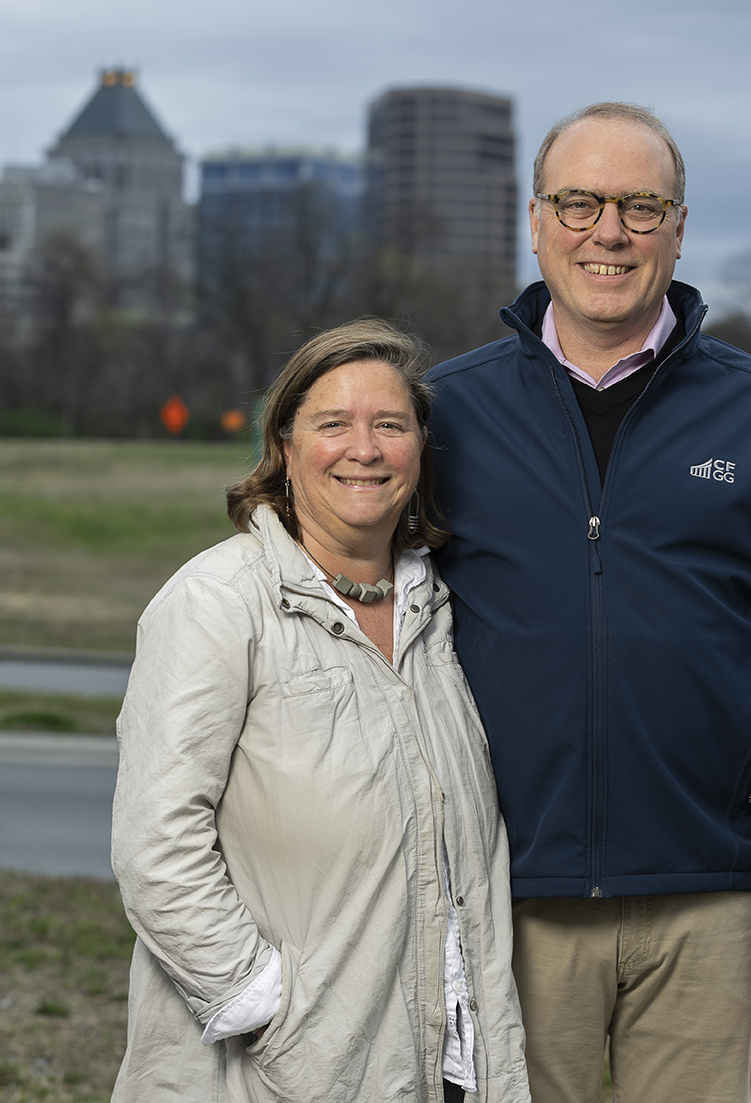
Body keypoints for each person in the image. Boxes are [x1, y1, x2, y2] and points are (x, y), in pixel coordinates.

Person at [426, 103, 751, 1103]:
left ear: (679, 227)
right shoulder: (443, 414)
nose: (610, 232)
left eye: (641, 206)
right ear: (536, 220)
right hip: (505, 895)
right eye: (581, 202)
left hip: (710, 906)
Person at [111, 319, 530, 1103]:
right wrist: (271, 1007)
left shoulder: (437, 609)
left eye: (390, 425)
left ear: (419, 447)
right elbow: (155, 845)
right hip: (275, 1070)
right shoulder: (218, 603)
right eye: (333, 423)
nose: (363, 449)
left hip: (436, 1063)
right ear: (286, 444)